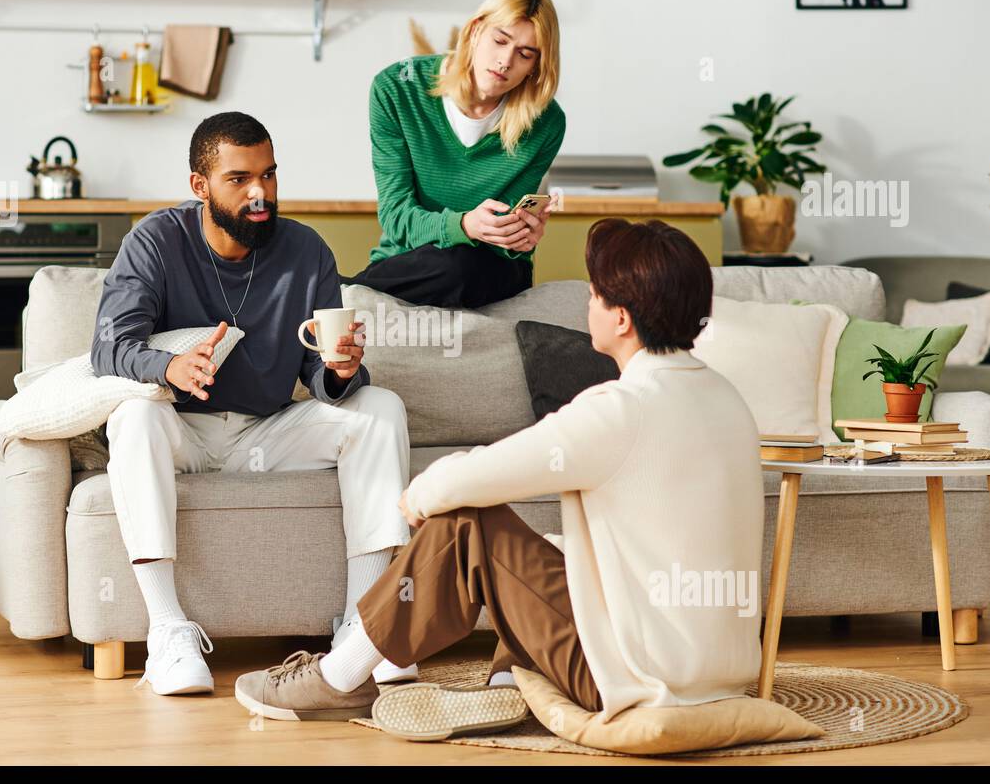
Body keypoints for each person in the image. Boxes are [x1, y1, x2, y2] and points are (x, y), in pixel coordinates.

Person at [234, 219, 766, 736]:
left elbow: (476, 478)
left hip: (638, 679)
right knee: (553, 550)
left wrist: (418, 497)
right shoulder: (728, 397)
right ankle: (511, 679)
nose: (588, 303)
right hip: (721, 674)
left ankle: (340, 677)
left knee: (467, 526)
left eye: (597, 294)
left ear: (622, 319)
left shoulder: (621, 408)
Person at [91, 111, 417, 697]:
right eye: (239, 179)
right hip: (181, 432)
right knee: (133, 415)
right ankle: (168, 632)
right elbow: (109, 345)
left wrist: (340, 371)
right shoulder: (156, 241)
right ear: (200, 186)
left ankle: (363, 630)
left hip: (266, 433)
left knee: (380, 405)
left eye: (268, 175)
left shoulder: (306, 251)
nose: (260, 193)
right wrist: (168, 366)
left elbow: (316, 371)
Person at [342, 0, 565, 309]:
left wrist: (519, 238)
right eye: (500, 41)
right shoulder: (396, 89)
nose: (505, 61)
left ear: (536, 65)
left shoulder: (546, 122)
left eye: (525, 54)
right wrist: (462, 225)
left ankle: (344, 290)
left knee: (461, 265)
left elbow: (506, 236)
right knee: (447, 264)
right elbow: (395, 217)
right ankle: (347, 291)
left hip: (489, 266)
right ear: (476, 30)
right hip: (410, 261)